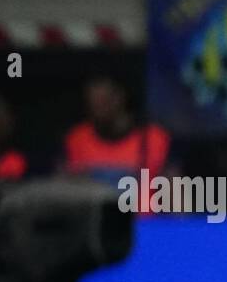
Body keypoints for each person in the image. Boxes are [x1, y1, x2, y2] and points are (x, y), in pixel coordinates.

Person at [64, 76, 171, 215]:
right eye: (93, 104)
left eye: (103, 102)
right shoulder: (77, 139)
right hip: (92, 224)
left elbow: (174, 190)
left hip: (142, 224)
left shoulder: (154, 138)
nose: (97, 110)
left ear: (120, 97)